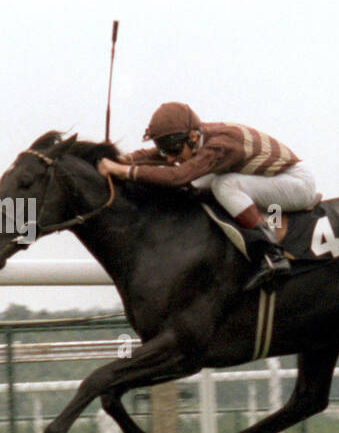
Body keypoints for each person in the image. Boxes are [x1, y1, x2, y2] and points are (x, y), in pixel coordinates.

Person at [98, 102, 318, 292]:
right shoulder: (195, 136)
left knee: (224, 185)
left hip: (296, 184)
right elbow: (153, 157)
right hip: (271, 183)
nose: (170, 157)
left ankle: (271, 254)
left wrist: (123, 171)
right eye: (165, 149)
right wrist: (120, 160)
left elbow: (177, 176)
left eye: (173, 149)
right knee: (199, 185)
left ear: (193, 137)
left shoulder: (220, 145)